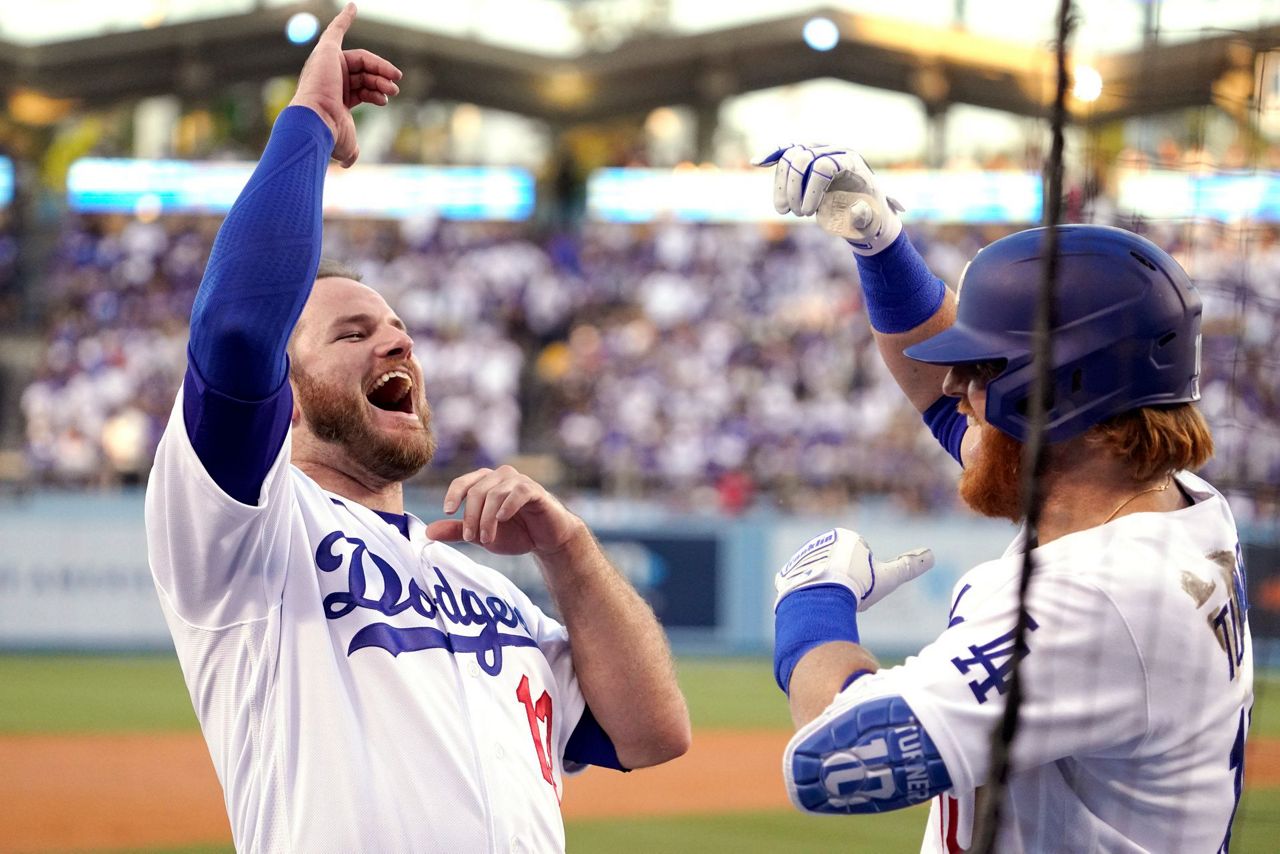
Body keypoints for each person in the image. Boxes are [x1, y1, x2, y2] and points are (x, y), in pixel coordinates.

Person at [143, 6, 690, 852]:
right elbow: (242, 328)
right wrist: (310, 121)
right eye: (352, 334)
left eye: (399, 330)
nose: (397, 342)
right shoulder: (249, 533)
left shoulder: (491, 592)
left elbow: (651, 734)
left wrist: (570, 550)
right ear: (285, 393)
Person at [758, 144, 1253, 852]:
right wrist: (881, 246)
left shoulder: (1103, 596)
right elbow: (948, 404)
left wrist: (811, 604)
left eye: (985, 370)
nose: (955, 389)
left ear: (1066, 394)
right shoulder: (1175, 501)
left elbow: (833, 760)